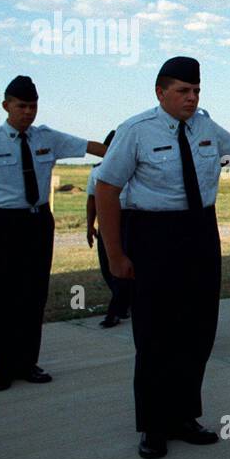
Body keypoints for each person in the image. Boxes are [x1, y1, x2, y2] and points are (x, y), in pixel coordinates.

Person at [95, 56, 230, 459]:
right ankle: (154, 426)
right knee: (156, 333)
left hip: (200, 233)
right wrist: (115, 251)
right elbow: (107, 187)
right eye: (183, 91)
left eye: (196, 91)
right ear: (161, 92)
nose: (191, 98)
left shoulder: (206, 127)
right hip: (154, 235)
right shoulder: (135, 131)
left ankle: (184, 416)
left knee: (198, 328)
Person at [0, 75, 107, 391]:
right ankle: (2, 369)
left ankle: (28, 363)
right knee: (0, 298)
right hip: (1, 225)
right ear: (6, 106)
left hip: (38, 224)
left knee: (33, 295)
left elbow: (89, 146)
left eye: (33, 106)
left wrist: (127, 152)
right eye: (22, 105)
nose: (28, 112)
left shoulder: (47, 138)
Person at [86, 129, 133, 328]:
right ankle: (123, 304)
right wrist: (89, 225)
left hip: (130, 219)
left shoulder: (134, 168)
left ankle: (115, 311)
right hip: (108, 220)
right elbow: (92, 199)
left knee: (126, 265)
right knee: (107, 266)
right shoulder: (97, 170)